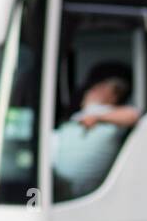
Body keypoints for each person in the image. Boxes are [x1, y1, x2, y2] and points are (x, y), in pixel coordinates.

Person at [52, 63, 140, 197]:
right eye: (94, 87)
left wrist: (98, 118)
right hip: (55, 184)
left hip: (84, 193)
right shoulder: (74, 118)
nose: (93, 90)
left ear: (114, 97)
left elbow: (133, 115)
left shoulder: (111, 117)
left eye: (102, 88)